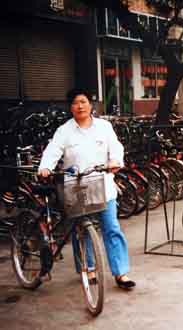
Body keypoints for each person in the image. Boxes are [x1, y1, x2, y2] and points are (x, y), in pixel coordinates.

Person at [38, 88, 136, 290]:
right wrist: (46, 167)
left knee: (112, 228)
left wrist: (115, 160)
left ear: (91, 105)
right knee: (81, 230)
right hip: (76, 188)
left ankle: (121, 272)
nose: (80, 106)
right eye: (75, 102)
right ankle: (87, 267)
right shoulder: (64, 131)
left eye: (83, 101)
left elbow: (116, 147)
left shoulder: (104, 127)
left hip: (102, 184)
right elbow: (53, 150)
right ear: (70, 107)